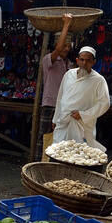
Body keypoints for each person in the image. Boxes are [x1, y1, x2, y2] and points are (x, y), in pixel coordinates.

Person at [51, 45, 110, 151]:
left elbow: (105, 103)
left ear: (94, 62)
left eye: (88, 60)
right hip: (63, 122)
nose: (84, 63)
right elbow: (60, 98)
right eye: (82, 60)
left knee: (79, 156)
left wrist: (83, 115)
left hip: (82, 125)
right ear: (77, 60)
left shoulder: (98, 80)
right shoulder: (69, 74)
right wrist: (55, 119)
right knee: (58, 153)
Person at [39, 19, 72, 153]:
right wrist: (66, 24)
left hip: (63, 107)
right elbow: (58, 49)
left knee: (59, 139)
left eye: (68, 46)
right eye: (64, 45)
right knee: (44, 137)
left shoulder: (68, 64)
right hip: (50, 104)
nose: (66, 48)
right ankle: (38, 163)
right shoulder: (49, 59)